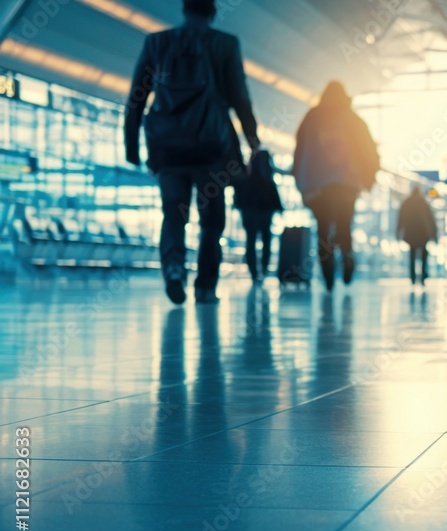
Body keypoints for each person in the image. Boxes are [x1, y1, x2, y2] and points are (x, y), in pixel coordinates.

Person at [124, 0, 260, 305]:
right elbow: (239, 95)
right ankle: (205, 286)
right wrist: (253, 141)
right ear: (212, 13)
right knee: (211, 220)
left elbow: (137, 96)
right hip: (211, 148)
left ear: (184, 11)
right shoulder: (225, 43)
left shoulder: (157, 42)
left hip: (168, 148)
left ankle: (173, 269)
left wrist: (132, 146)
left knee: (173, 214)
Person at [293, 82, 379, 291]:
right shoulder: (353, 119)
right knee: (344, 224)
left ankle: (328, 273)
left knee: (323, 229)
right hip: (347, 184)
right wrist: (368, 178)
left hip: (319, 187)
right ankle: (347, 256)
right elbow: (369, 149)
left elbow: (300, 150)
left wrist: (301, 182)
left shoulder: (312, 117)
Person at [234, 149, 283, 284]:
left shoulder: (247, 178)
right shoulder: (268, 179)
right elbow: (275, 197)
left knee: (251, 241)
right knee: (266, 240)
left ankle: (254, 272)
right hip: (265, 214)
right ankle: (264, 268)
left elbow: (239, 197)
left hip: (250, 213)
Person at [396, 186, 438, 285]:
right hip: (423, 233)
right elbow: (430, 219)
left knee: (412, 255)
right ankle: (423, 276)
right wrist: (434, 234)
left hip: (410, 233)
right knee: (424, 255)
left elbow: (401, 218)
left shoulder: (407, 202)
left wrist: (398, 232)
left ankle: (413, 277)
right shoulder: (423, 203)